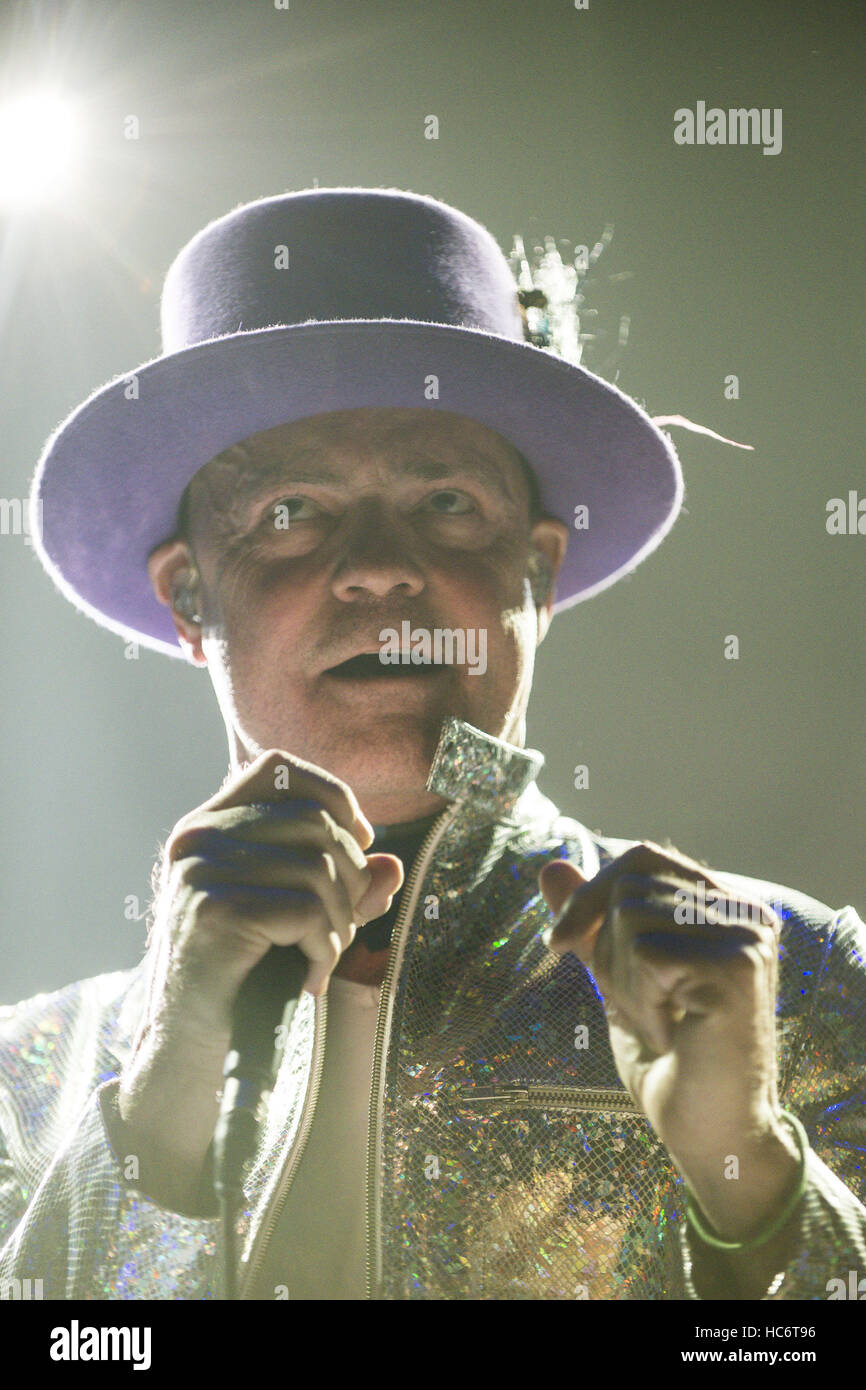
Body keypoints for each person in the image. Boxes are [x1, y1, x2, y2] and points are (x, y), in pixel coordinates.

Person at [3, 188, 864, 1301]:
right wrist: (161, 1097)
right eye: (288, 513)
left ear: (538, 573)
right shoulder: (31, 1081)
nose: (376, 566)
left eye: (445, 501)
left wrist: (746, 1174)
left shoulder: (796, 983)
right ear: (187, 597)